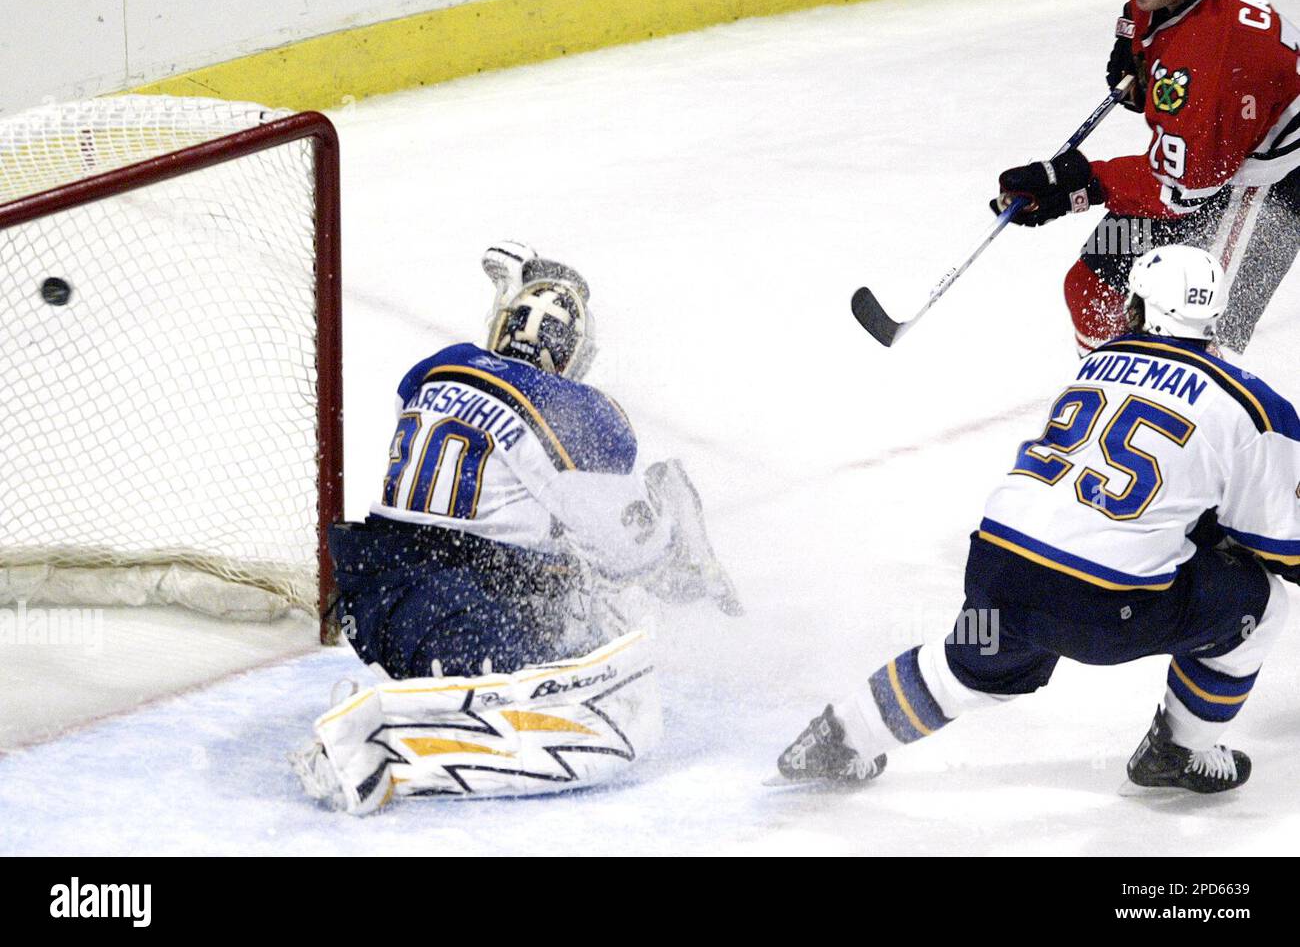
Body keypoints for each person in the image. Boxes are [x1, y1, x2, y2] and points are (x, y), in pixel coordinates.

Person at [777, 245, 1299, 793]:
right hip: (1104, 609)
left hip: (997, 571)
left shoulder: (1097, 362)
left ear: (1139, 304)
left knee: (965, 665)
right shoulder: (1246, 402)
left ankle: (841, 736)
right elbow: (1283, 541)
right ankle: (1177, 750)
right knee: (1261, 604)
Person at [292, 243, 738, 813]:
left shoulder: (440, 366)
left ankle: (426, 693)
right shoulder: (565, 406)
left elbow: (493, 435)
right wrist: (675, 555)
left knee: (547, 567)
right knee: (580, 655)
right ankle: (373, 739)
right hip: (441, 604)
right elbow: (618, 550)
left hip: (371, 595)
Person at [993, 0, 1300, 354]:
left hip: (1266, 183)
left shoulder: (1208, 65)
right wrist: (1132, 37)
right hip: (1216, 145)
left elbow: (1182, 192)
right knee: (1092, 290)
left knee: (1202, 342)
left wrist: (1082, 183)